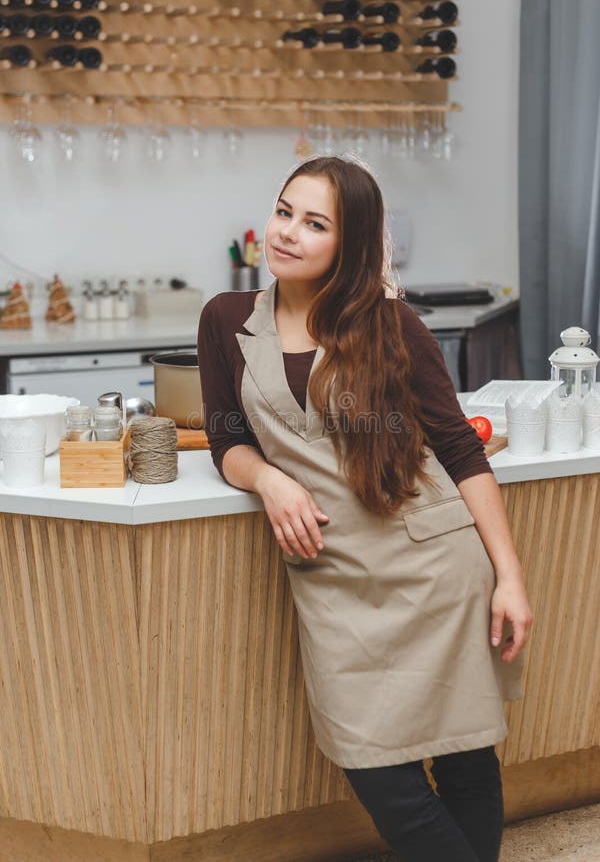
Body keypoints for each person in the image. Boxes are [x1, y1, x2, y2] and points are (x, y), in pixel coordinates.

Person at [197, 156, 533, 862]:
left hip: (435, 565)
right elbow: (225, 433)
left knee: (465, 758)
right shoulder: (227, 319)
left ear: (348, 247)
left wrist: (509, 576)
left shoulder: (392, 324)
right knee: (378, 770)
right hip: (332, 580)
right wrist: (269, 480)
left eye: (315, 224)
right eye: (285, 211)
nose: (288, 232)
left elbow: (459, 450)